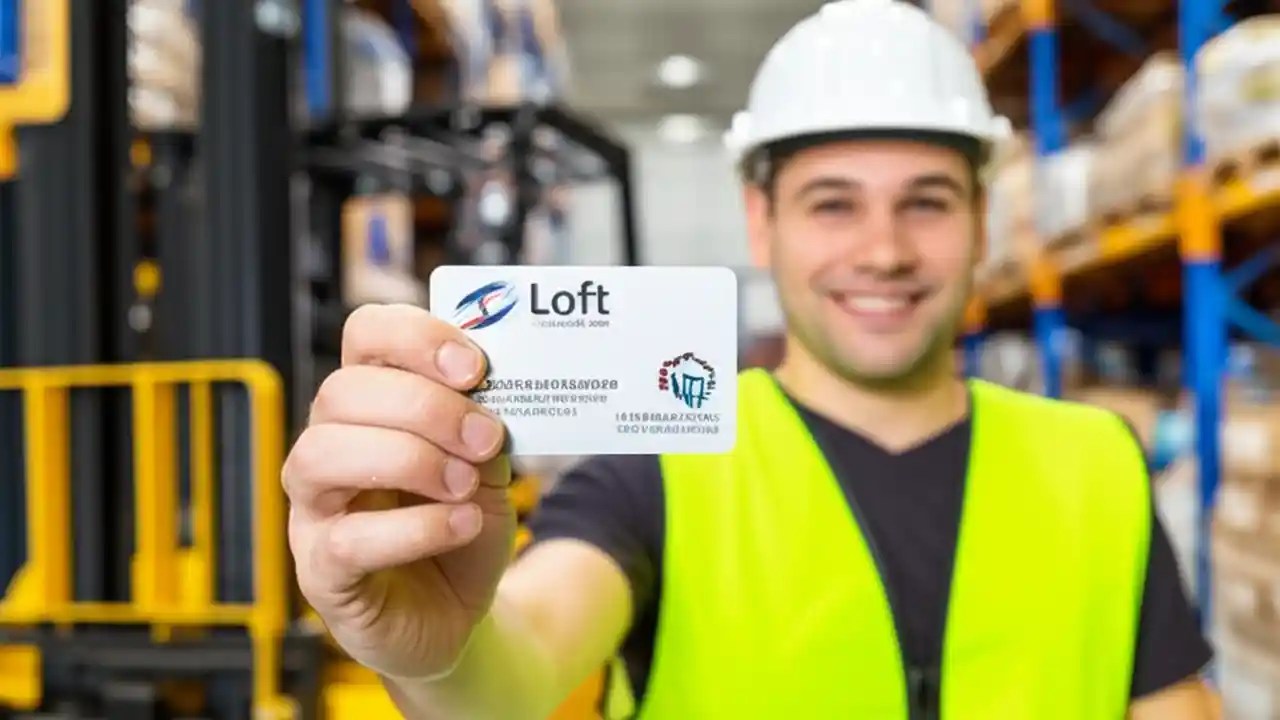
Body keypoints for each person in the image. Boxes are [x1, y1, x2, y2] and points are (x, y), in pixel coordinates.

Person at [282, 1, 1218, 717]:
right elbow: (521, 656)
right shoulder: (656, 468)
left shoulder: (1099, 461)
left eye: (927, 201)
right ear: (762, 222)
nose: (883, 250)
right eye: (833, 203)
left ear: (982, 220)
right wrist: (437, 657)